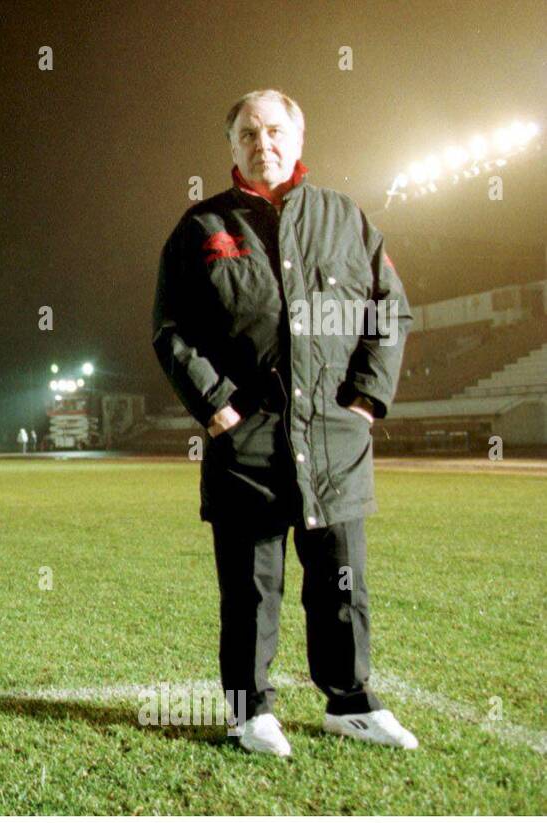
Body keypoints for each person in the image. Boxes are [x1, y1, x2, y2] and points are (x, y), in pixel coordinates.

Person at [151, 89, 419, 756]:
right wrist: (217, 407)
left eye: (274, 131)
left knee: (340, 580)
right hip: (247, 439)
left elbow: (391, 309)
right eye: (247, 133)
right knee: (250, 588)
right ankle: (251, 712)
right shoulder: (201, 228)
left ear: (297, 141)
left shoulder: (344, 218)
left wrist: (364, 400)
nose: (261, 142)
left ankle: (351, 702)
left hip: (332, 439)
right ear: (232, 146)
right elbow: (171, 329)